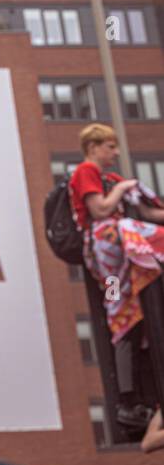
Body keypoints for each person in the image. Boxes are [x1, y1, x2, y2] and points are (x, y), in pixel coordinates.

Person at [69, 123, 164, 433]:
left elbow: (148, 215)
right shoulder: (86, 171)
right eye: (110, 147)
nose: (115, 153)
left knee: (134, 318)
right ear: (94, 147)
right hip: (106, 253)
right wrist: (122, 189)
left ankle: (138, 395)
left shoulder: (110, 178)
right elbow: (100, 210)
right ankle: (127, 399)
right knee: (119, 312)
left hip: (119, 251)